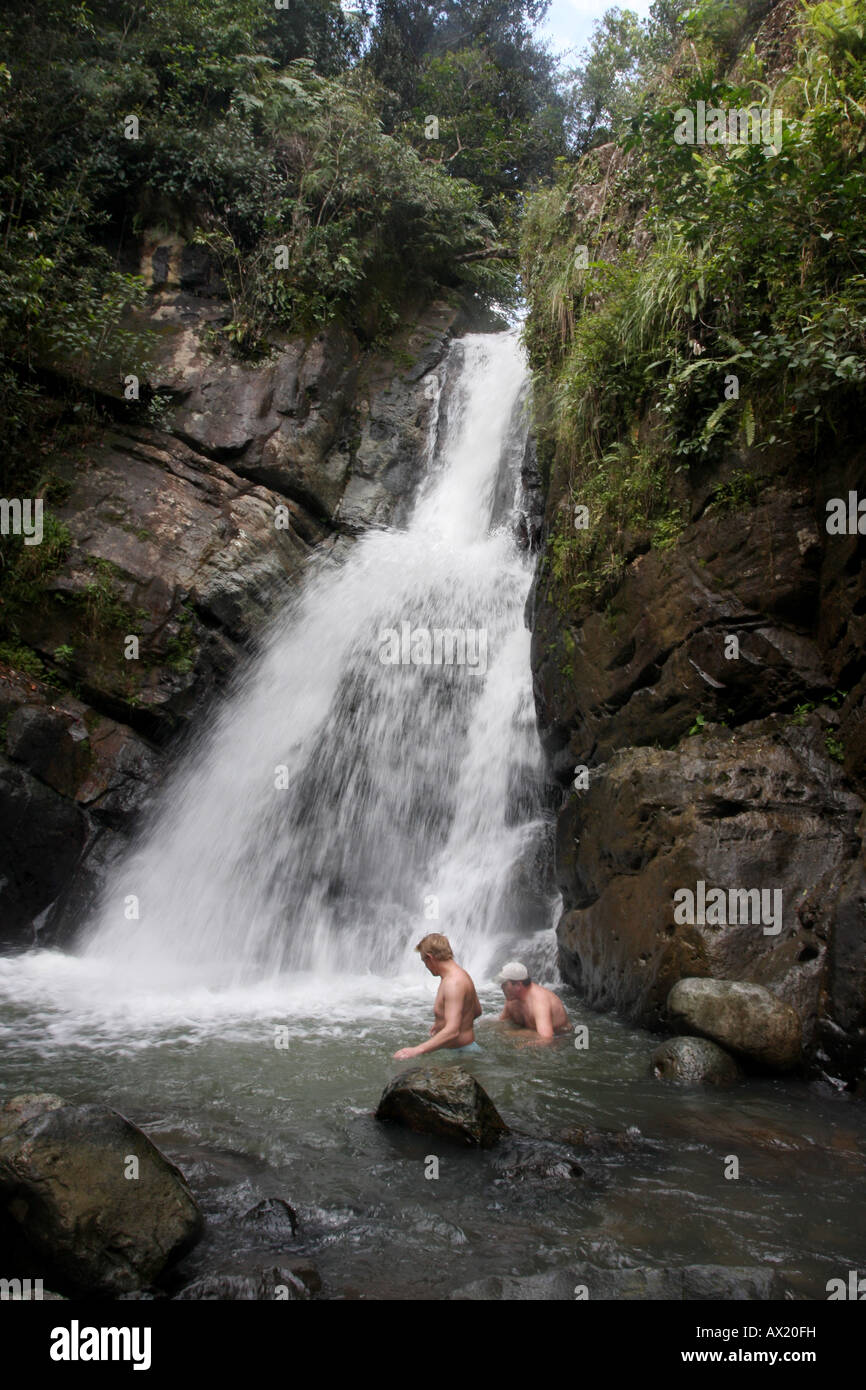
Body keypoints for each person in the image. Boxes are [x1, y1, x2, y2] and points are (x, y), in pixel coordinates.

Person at [393, 934, 482, 1060]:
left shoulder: (453, 983)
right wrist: (445, 1022)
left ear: (430, 958)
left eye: (424, 962)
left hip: (461, 1055)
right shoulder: (461, 975)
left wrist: (416, 1050)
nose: (426, 967)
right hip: (466, 1049)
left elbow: (452, 1031)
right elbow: (477, 1011)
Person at [496, 961, 571, 1040]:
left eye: (504, 984)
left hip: (560, 1039)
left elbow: (546, 1038)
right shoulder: (512, 998)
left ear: (518, 985)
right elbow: (502, 1022)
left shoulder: (540, 1002)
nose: (501, 987)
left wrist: (514, 1034)